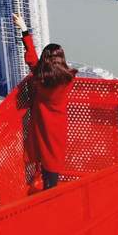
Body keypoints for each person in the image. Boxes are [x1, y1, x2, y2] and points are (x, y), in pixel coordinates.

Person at [16, 12, 77, 191]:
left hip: (41, 125)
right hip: (58, 125)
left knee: (42, 153)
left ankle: (47, 186)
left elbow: (31, 57)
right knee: (54, 156)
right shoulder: (68, 79)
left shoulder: (39, 77)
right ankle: (52, 188)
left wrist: (24, 29)